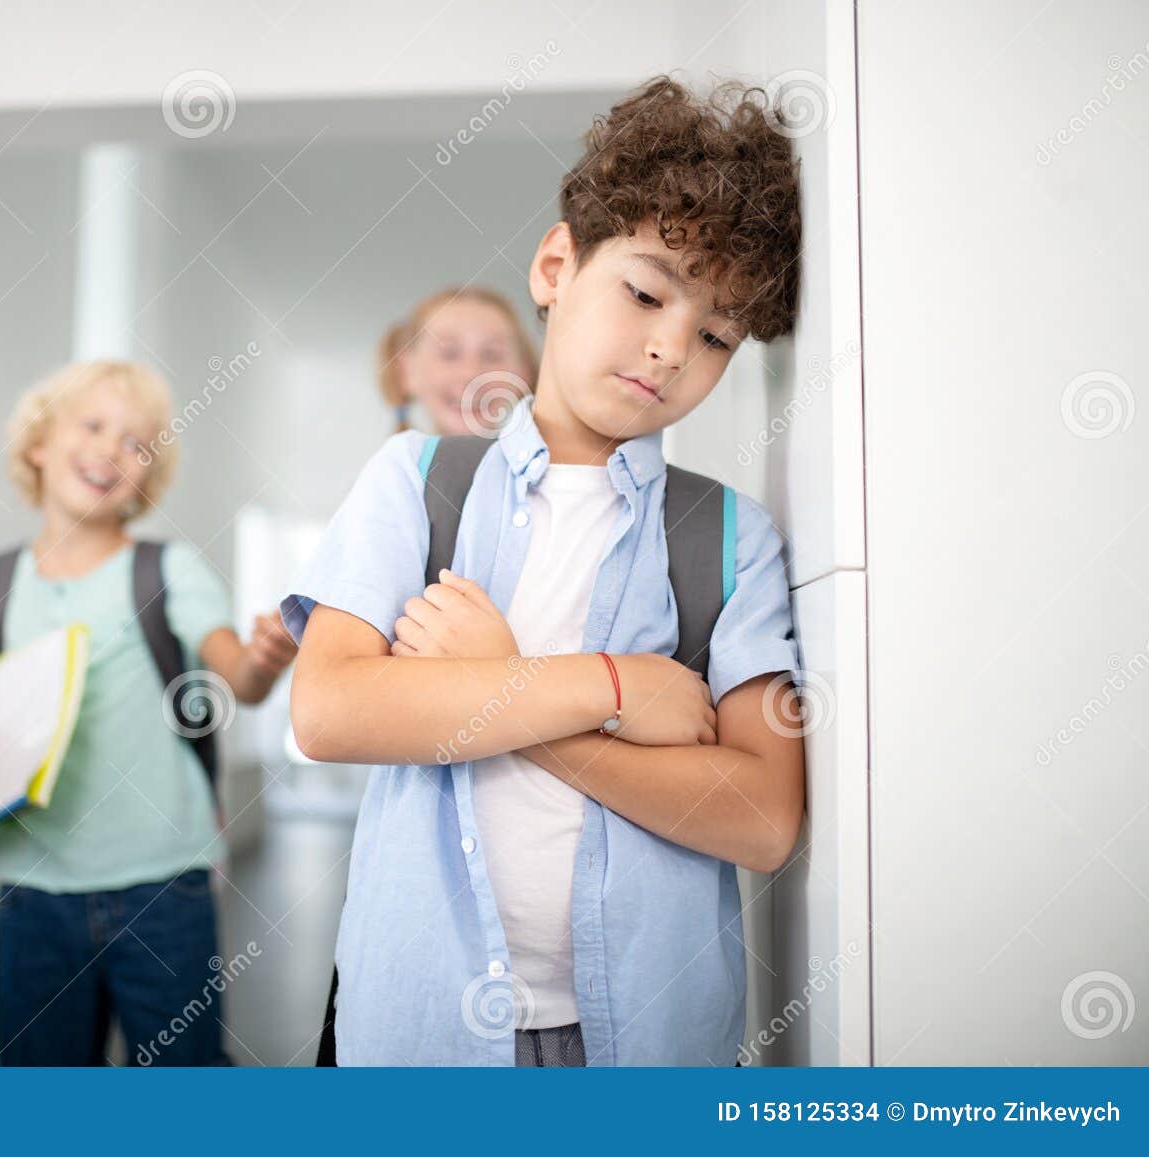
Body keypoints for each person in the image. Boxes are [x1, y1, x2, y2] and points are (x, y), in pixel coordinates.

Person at [282, 76, 806, 1066]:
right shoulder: (417, 481)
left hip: (646, 1045)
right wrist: (615, 687)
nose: (667, 347)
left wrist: (507, 685)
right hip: (419, 1033)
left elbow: (762, 815)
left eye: (714, 334)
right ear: (556, 264)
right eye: (646, 291)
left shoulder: (730, 535)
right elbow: (331, 712)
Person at [0, 360, 297, 1066]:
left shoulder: (169, 570)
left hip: (165, 885)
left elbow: (239, 673)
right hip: (35, 893)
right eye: (92, 426)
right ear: (38, 444)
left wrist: (266, 657)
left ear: (147, 476)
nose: (112, 449)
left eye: (137, 443)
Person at [376, 286, 537, 435]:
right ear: (406, 372)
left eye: (492, 355)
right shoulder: (388, 464)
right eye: (450, 353)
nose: (471, 373)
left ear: (524, 373)